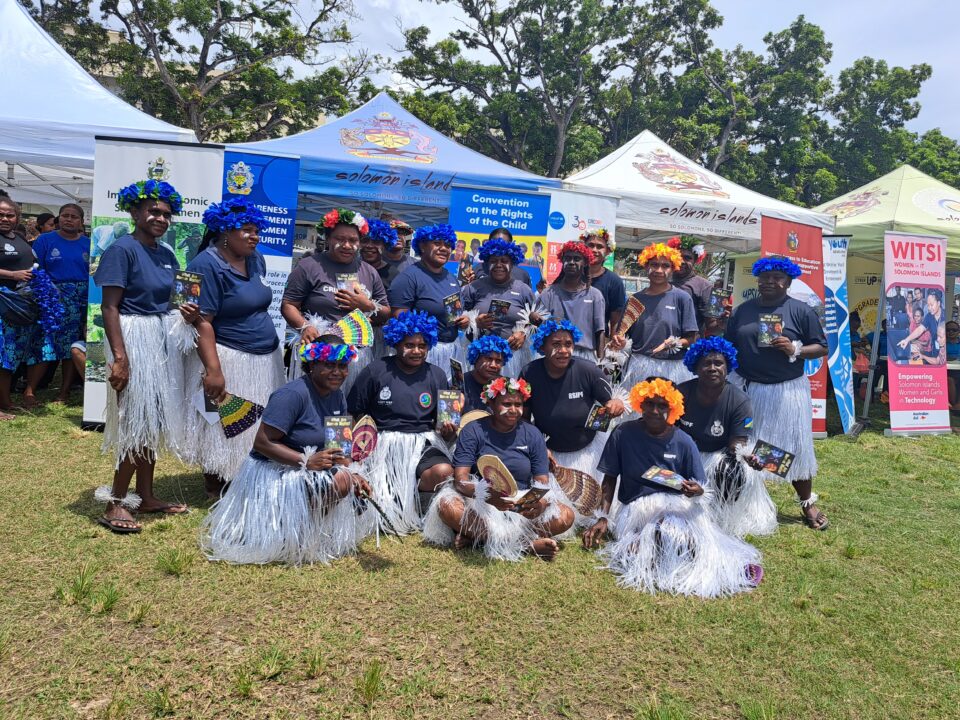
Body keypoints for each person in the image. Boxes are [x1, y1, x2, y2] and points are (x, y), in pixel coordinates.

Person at [582, 378, 763, 596]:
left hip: (677, 507)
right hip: (636, 509)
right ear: (640, 403)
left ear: (672, 408)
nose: (655, 411)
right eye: (649, 403)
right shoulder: (622, 433)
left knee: (678, 536)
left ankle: (711, 562)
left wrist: (696, 491)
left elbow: (702, 488)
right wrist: (603, 516)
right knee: (655, 538)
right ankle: (648, 546)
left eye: (662, 406)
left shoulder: (684, 441)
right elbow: (609, 478)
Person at [200, 338, 373, 565]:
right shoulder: (291, 395)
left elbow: (337, 448)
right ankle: (293, 534)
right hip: (273, 472)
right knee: (340, 481)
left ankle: (306, 531)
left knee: (352, 479)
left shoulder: (337, 395)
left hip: (306, 468)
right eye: (329, 365)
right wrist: (305, 460)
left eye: (342, 366)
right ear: (311, 365)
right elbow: (262, 443)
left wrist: (355, 474)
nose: (337, 372)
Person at [91, 179, 195, 533]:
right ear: (134, 212)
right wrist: (120, 357)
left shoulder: (166, 254)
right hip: (133, 338)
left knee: (154, 420)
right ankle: (115, 503)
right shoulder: (122, 250)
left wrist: (186, 313)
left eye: (167, 214)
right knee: (136, 422)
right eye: (153, 211)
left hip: (160, 337)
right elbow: (109, 307)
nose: (161, 218)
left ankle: (146, 496)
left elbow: (171, 302)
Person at [177, 198, 285, 498]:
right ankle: (217, 481)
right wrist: (213, 370)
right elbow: (199, 322)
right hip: (226, 355)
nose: (255, 237)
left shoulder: (255, 258)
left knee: (254, 422)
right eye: (247, 231)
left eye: (257, 230)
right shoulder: (203, 265)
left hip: (265, 355)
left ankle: (247, 472)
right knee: (222, 421)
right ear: (225, 231)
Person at [724, 256, 829, 531]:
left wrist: (796, 349)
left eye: (778, 277)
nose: (770, 282)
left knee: (794, 448)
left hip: (786, 391)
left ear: (788, 282)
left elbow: (820, 347)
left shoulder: (801, 311)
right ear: (758, 279)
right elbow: (728, 347)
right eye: (765, 277)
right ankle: (751, 500)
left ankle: (807, 501)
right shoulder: (743, 311)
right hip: (746, 388)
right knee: (748, 446)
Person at [422, 377, 575, 561]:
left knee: (566, 515)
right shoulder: (473, 430)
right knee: (447, 507)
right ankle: (525, 545)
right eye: (507, 404)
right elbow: (460, 480)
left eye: (518, 404)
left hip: (521, 501)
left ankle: (481, 539)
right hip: (481, 503)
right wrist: (486, 494)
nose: (513, 410)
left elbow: (541, 479)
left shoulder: (532, 433)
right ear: (491, 404)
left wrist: (537, 503)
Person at [347, 310, 456, 535]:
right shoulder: (376, 370)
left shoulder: (436, 375)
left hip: (423, 441)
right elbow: (355, 412)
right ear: (396, 343)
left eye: (422, 345)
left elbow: (445, 428)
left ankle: (417, 505)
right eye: (409, 344)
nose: (416, 351)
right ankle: (394, 499)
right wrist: (362, 446)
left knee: (444, 471)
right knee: (382, 512)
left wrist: (448, 431)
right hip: (383, 443)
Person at [677, 337, 776, 537]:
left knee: (730, 470)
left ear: (728, 366)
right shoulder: (681, 392)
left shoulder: (740, 400)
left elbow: (737, 443)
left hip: (719, 454)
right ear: (695, 367)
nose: (712, 368)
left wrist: (747, 456)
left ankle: (721, 516)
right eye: (706, 363)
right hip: (686, 453)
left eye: (718, 363)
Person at [281, 208, 389, 390]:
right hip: (319, 354)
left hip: (355, 355)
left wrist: (367, 305)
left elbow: (385, 312)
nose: (347, 245)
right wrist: (305, 326)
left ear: (360, 242)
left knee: (349, 408)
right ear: (328, 239)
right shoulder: (308, 266)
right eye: (340, 239)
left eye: (353, 240)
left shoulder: (369, 271)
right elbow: (288, 305)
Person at [519, 320, 625, 490]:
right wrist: (538, 447)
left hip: (588, 452)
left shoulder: (587, 370)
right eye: (556, 344)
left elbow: (612, 400)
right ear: (542, 346)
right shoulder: (529, 373)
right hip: (549, 454)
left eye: (568, 344)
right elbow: (522, 419)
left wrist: (616, 403)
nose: (563, 350)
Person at [24, 203, 91, 405]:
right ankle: (30, 390)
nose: (68, 219)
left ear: (81, 221)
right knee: (44, 341)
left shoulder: (89, 243)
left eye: (73, 216)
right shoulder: (45, 240)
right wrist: (48, 294)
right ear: (58, 219)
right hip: (51, 298)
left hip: (81, 299)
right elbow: (35, 270)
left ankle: (64, 391)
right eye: (64, 216)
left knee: (71, 345)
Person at [610, 242, 698, 387]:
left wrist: (674, 343)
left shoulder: (682, 298)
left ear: (673, 268)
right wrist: (620, 343)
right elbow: (623, 337)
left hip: (672, 369)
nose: (659, 270)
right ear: (646, 266)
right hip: (639, 367)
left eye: (665, 266)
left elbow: (691, 338)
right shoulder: (635, 300)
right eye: (654, 264)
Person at [388, 224, 469, 376]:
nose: (444, 248)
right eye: (437, 243)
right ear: (422, 246)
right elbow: (399, 318)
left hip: (452, 349)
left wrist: (464, 320)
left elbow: (457, 311)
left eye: (447, 245)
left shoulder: (451, 278)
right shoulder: (408, 277)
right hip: (423, 354)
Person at [461, 236, 537, 376]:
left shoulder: (524, 290)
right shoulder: (472, 288)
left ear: (512, 263)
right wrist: (474, 322)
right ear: (486, 263)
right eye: (493, 261)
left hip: (513, 359)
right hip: (480, 359)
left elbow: (537, 322)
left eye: (504, 261)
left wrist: (524, 333)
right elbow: (456, 320)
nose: (499, 265)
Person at [0, 193, 36, 419]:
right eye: (1, 214)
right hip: (3, 303)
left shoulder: (18, 238)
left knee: (7, 357)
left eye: (10, 215)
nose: (5, 218)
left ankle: (5, 401)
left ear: (17, 217)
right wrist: (12, 274)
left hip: (16, 306)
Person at [538, 241, 606, 359]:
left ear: (585, 263)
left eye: (577, 259)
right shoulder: (548, 294)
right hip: (554, 356)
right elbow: (538, 329)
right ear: (562, 261)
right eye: (567, 258)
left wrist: (601, 363)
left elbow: (600, 332)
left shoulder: (595, 295)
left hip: (585, 357)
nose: (571, 262)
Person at [667, 236, 716, 333]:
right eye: (679, 256)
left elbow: (711, 325)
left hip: (689, 345)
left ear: (695, 261)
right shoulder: (663, 280)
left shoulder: (704, 286)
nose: (682, 261)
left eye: (688, 258)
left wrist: (723, 320)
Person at [583, 229, 626, 336]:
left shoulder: (615, 282)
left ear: (608, 251)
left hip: (597, 344)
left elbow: (615, 321)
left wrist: (612, 347)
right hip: (568, 342)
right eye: (591, 245)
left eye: (599, 247)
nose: (594, 250)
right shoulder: (572, 275)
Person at [469, 228, 533, 287]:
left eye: (503, 245)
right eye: (495, 245)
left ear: (511, 248)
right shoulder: (477, 269)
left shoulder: (522, 275)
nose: (499, 249)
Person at [463, 335, 512, 411]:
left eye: (498, 361)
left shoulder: (506, 386)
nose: (493, 365)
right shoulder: (459, 382)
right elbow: (446, 418)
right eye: (488, 358)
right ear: (476, 359)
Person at [898, 289, 945, 366]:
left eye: (931, 305)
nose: (929, 308)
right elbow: (920, 329)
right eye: (928, 305)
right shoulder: (929, 316)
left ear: (939, 303)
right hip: (934, 352)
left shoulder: (945, 316)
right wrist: (906, 340)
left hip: (943, 352)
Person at [360, 219, 405, 290]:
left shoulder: (393, 274)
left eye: (376, 242)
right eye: (364, 241)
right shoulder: (350, 268)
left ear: (385, 246)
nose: (369, 246)